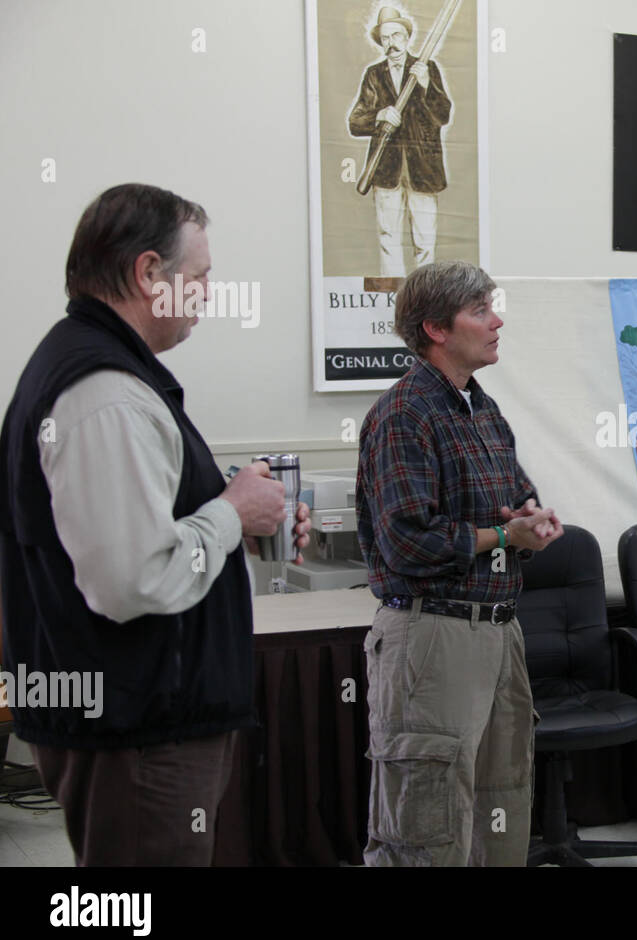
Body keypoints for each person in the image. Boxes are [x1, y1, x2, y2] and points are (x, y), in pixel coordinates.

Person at [0, 183, 311, 866]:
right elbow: (131, 581)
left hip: (136, 717)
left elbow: (145, 534)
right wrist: (231, 514)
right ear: (148, 273)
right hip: (140, 727)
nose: (207, 294)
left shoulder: (100, 372)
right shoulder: (105, 393)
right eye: (198, 277)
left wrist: (245, 518)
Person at [355, 259, 561, 866]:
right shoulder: (404, 415)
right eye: (480, 311)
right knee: (425, 828)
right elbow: (410, 544)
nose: (497, 322)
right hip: (432, 636)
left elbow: (514, 500)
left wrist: (533, 520)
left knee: (501, 811)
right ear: (436, 329)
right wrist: (504, 534)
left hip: (499, 633)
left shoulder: (484, 411)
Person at [349, 5, 453, 276]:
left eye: (396, 36)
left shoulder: (427, 68)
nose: (391, 43)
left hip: (423, 169)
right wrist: (380, 115)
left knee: (425, 242)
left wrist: (427, 84)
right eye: (385, 38)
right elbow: (355, 121)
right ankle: (392, 302)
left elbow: (443, 114)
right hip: (386, 170)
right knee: (388, 239)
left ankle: (426, 299)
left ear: (407, 37)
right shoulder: (374, 74)